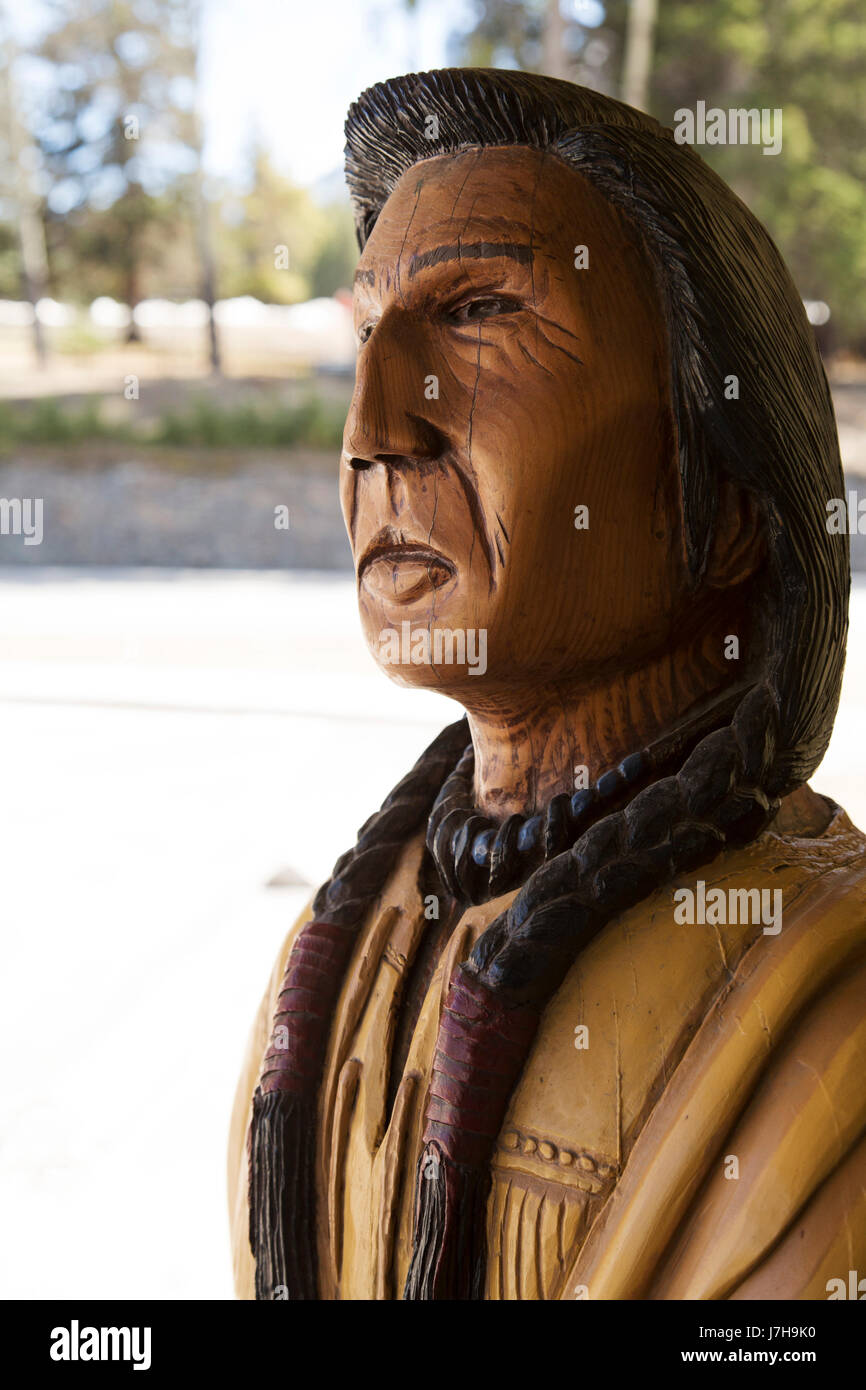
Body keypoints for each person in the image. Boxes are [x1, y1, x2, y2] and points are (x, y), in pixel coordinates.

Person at [229, 68, 866, 1301]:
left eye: (475, 314)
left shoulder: (820, 1015)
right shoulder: (332, 960)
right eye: (369, 332)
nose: (373, 425)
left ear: (724, 491)